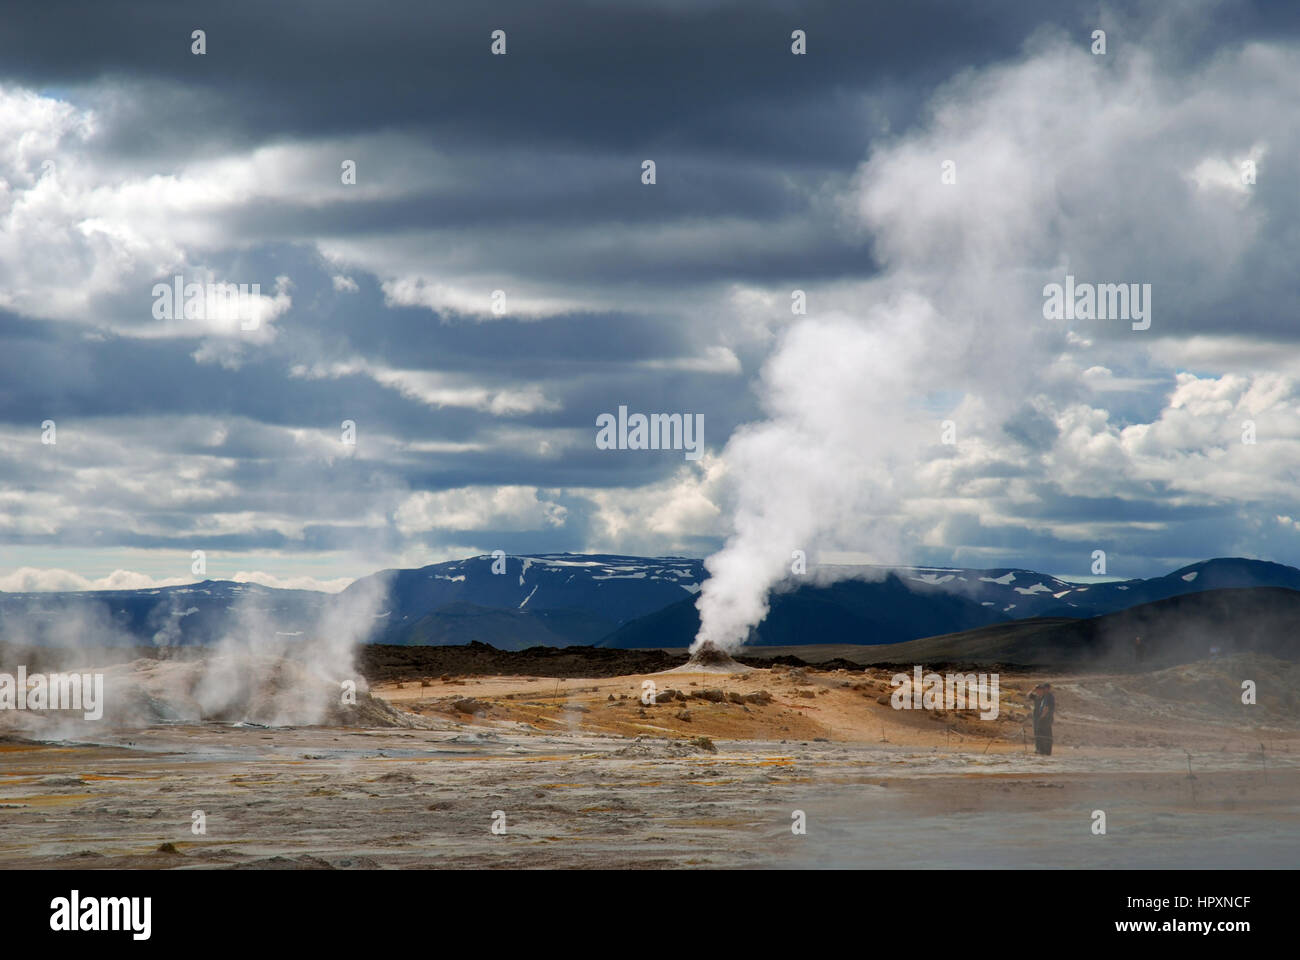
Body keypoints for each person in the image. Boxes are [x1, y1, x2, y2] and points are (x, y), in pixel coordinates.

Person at [1028, 682, 1055, 755]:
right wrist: (1033, 689)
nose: (1041, 690)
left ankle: (1045, 751)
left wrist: (1041, 717)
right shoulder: (1038, 697)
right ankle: (1039, 749)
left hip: (1045, 719)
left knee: (1045, 735)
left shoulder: (1048, 697)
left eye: (1042, 689)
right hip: (1038, 719)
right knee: (1038, 734)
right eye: (1039, 689)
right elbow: (1029, 695)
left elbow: (1046, 708)